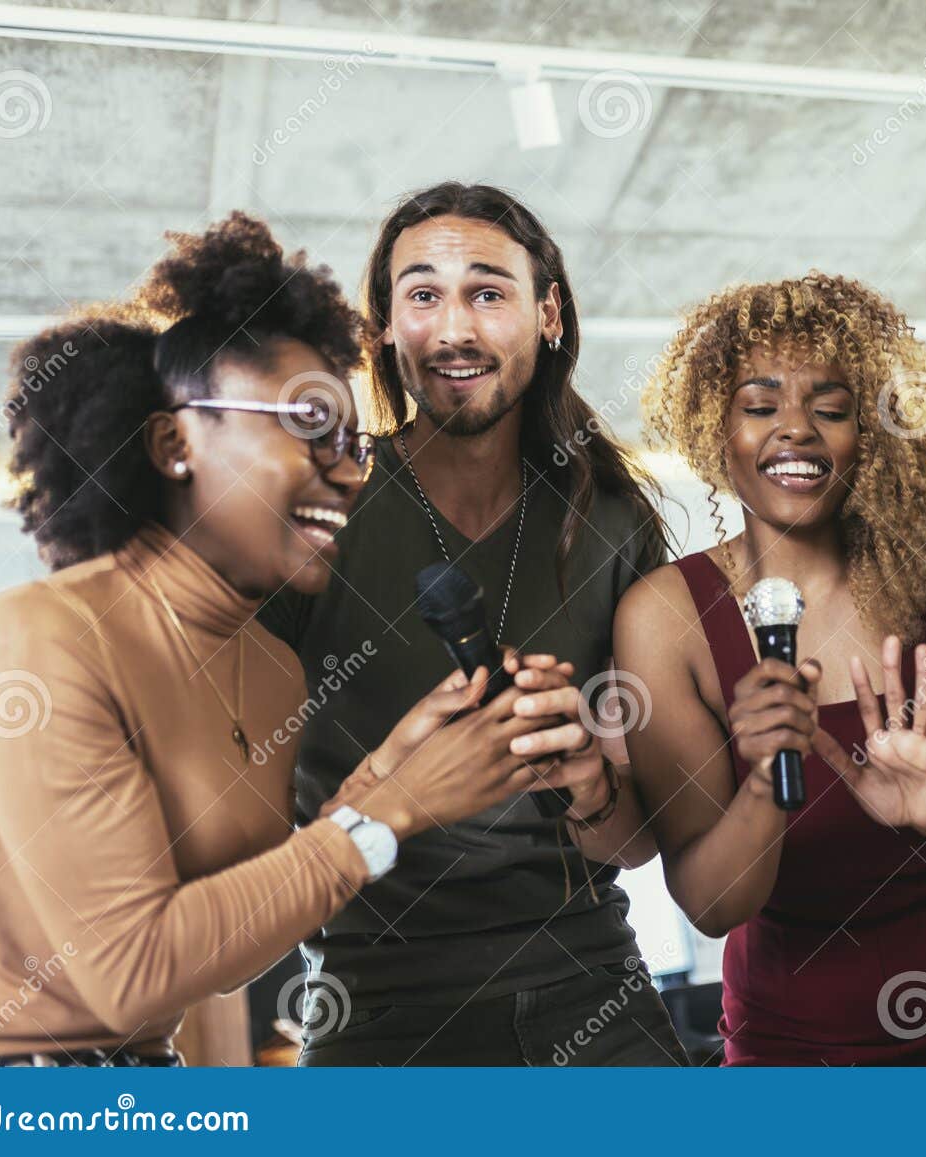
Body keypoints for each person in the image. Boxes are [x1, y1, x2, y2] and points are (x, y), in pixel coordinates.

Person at [0, 214, 569, 1066]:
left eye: (354, 440)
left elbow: (222, 957)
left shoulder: (274, 670)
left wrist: (384, 778)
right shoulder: (40, 632)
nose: (351, 466)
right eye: (309, 422)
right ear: (176, 440)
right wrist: (383, 813)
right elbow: (130, 970)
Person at [258, 183, 685, 1066]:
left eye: (487, 292)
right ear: (383, 326)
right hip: (373, 1005)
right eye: (423, 295)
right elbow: (240, 836)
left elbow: (640, 843)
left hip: (591, 986)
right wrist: (391, 794)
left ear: (549, 314)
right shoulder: (320, 507)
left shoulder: (610, 520)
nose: (454, 329)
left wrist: (589, 782)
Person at [618, 273, 926, 1066]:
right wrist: (768, 779)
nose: (793, 432)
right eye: (760, 407)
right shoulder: (665, 619)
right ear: (715, 428)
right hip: (797, 1055)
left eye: (829, 409)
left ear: (871, 430)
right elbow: (708, 901)